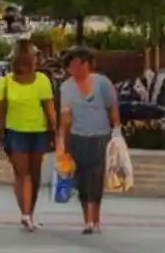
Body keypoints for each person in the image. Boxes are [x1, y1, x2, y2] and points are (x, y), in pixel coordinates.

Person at [0, 41, 56, 231]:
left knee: (34, 174)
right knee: (23, 173)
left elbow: (50, 109)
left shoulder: (42, 80)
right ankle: (26, 213)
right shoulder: (6, 81)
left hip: (39, 132)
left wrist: (56, 133)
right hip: (15, 131)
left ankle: (29, 211)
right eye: (33, 55)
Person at [56, 46, 120, 234]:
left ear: (86, 64)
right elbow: (65, 118)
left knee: (96, 178)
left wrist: (117, 132)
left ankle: (96, 219)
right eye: (70, 65)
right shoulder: (66, 87)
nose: (73, 68)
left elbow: (112, 108)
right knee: (82, 179)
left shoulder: (102, 83)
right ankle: (87, 221)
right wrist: (62, 142)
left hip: (100, 136)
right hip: (77, 137)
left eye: (77, 64)